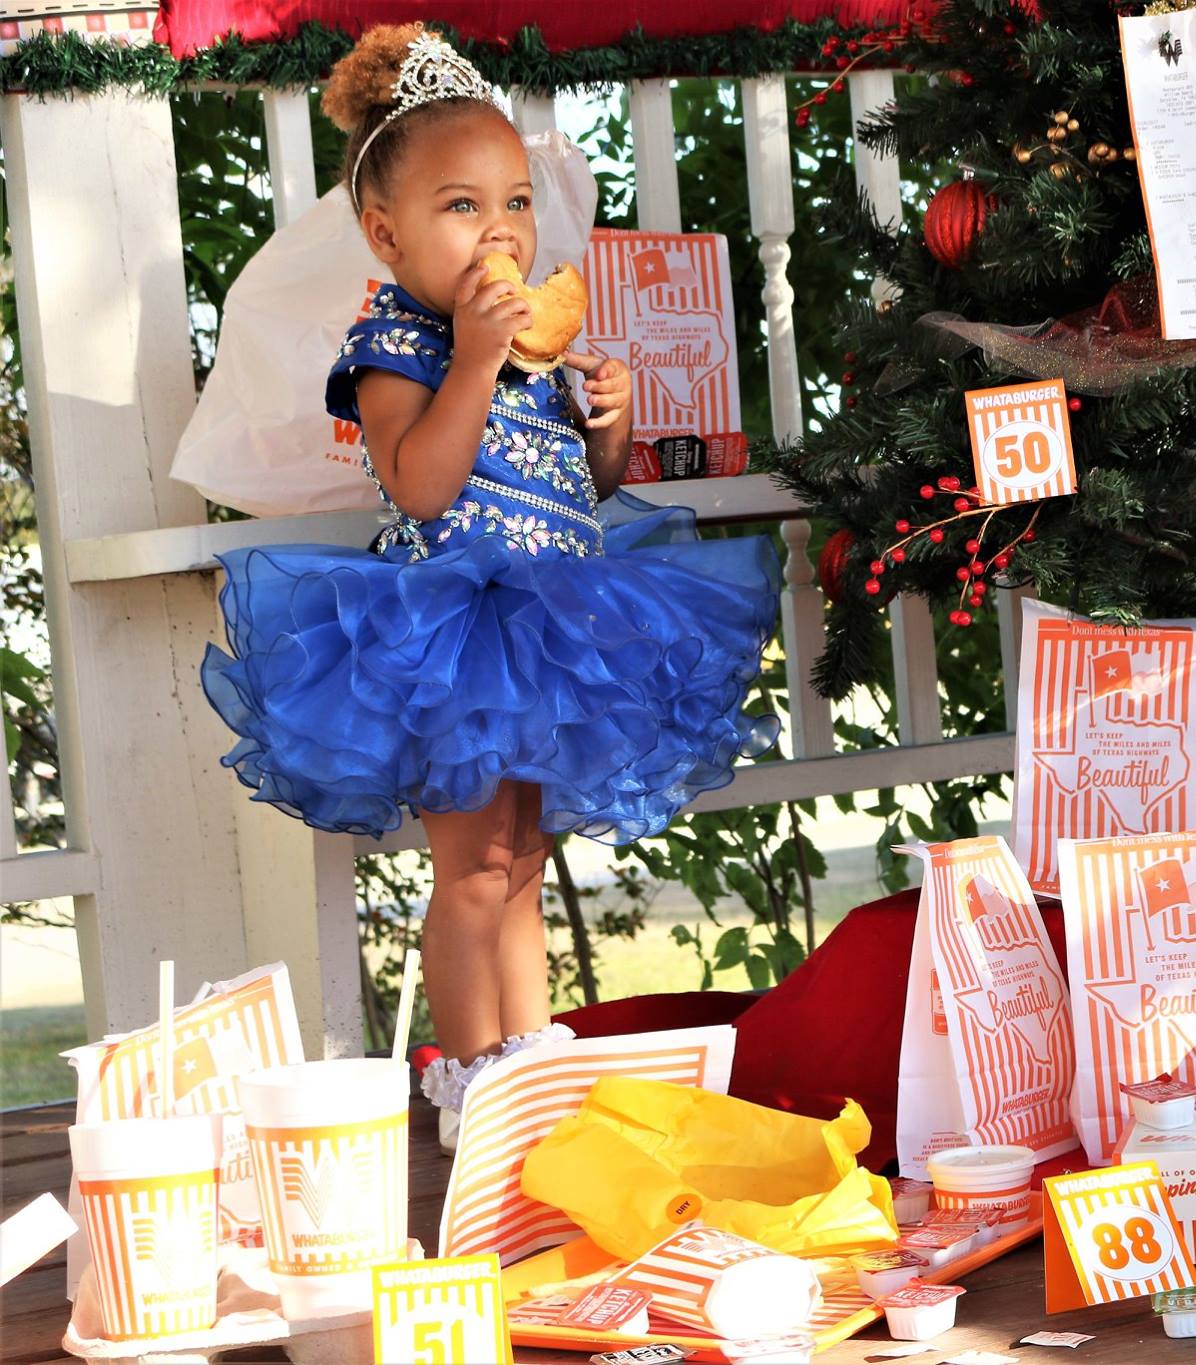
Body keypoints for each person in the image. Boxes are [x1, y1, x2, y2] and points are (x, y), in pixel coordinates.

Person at [201, 24, 780, 1150]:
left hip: (553, 622)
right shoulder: (396, 342)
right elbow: (420, 485)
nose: (499, 230)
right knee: (470, 873)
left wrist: (605, 424)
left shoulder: (533, 347)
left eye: (514, 202)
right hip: (449, 638)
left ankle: (529, 1060)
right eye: (460, 207)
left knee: (521, 864)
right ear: (386, 233)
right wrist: (469, 359)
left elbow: (584, 485)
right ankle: (468, 1082)